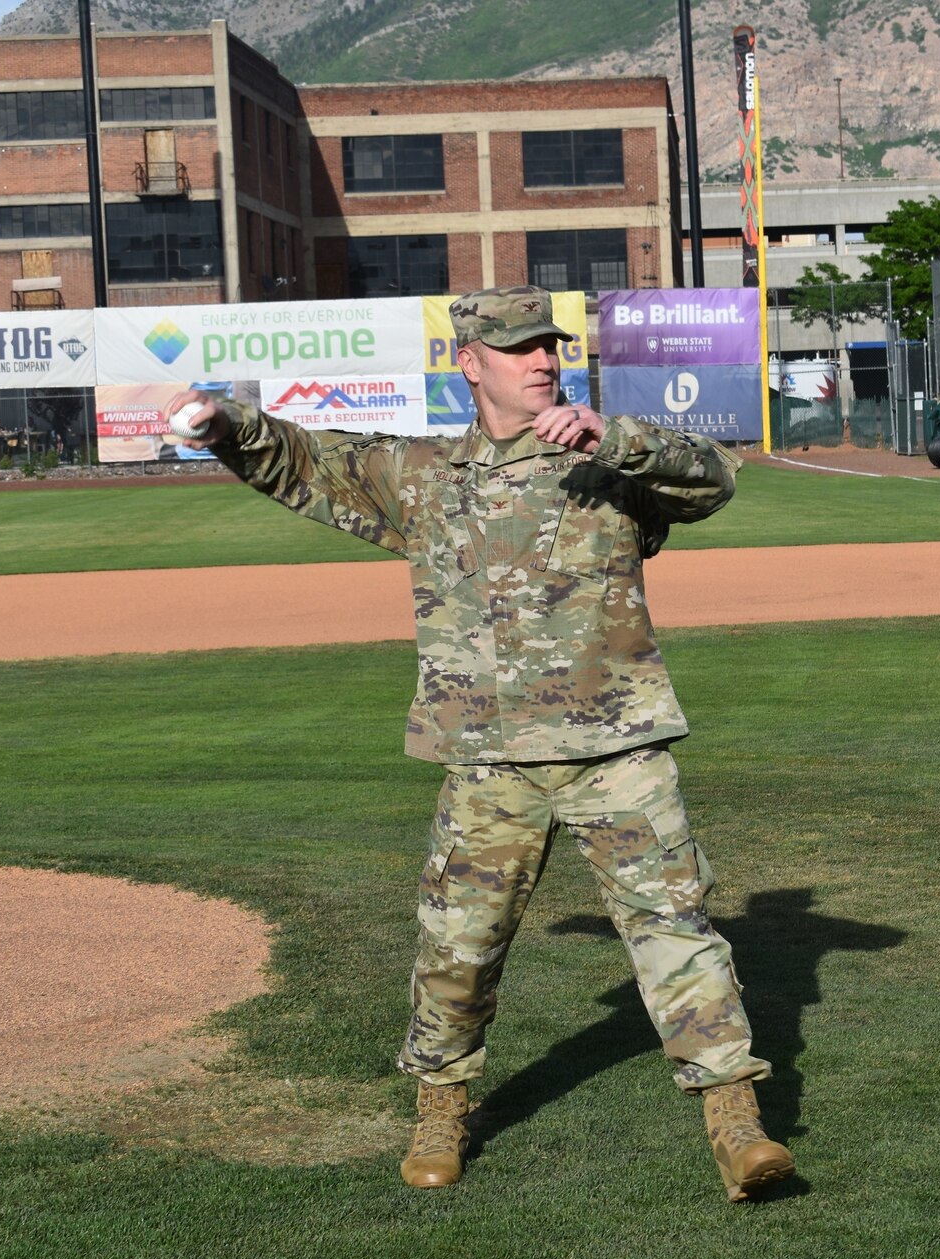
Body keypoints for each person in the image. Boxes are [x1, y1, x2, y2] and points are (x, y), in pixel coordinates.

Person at [167, 286, 793, 1203]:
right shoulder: (422, 476)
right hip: (490, 761)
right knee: (458, 949)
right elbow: (301, 460)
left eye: (550, 344)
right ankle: (440, 1111)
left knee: (677, 935)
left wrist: (616, 439)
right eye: (519, 348)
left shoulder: (605, 455)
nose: (543, 359)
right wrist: (224, 423)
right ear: (471, 362)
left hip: (616, 748)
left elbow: (713, 477)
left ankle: (735, 1123)